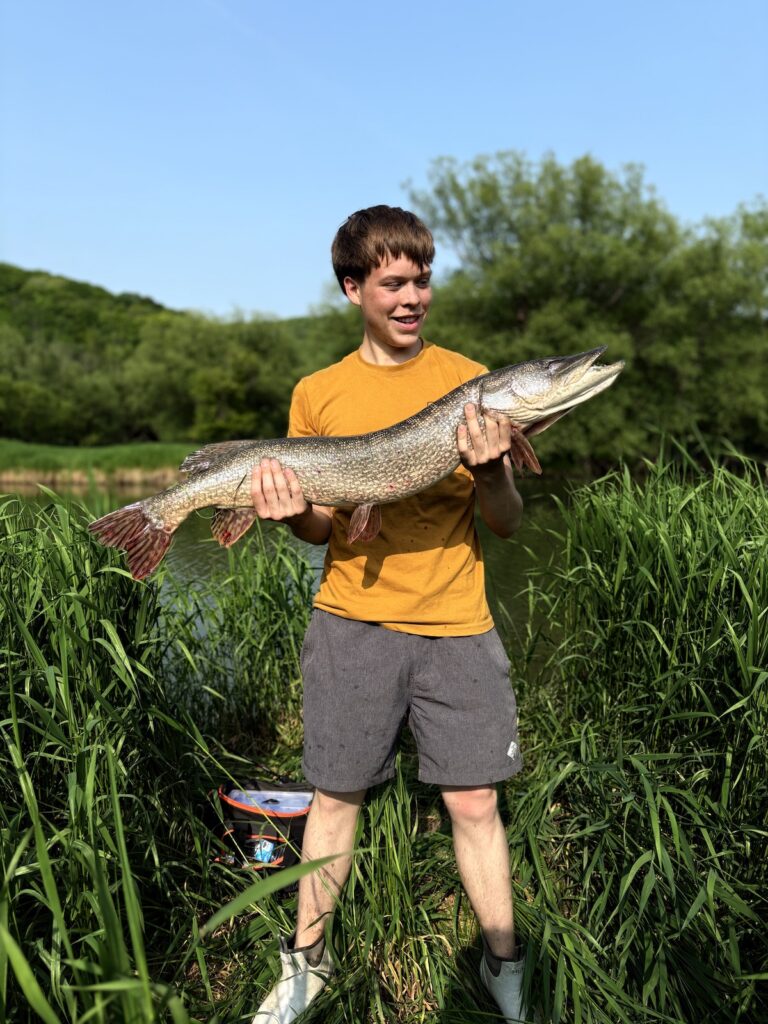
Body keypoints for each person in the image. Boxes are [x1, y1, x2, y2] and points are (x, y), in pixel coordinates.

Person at [249, 205, 528, 1023]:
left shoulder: (471, 382)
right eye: (394, 282)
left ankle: (503, 965)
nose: (413, 297)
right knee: (335, 796)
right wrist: (287, 509)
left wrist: (490, 473)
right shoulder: (319, 393)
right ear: (353, 289)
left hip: (458, 622)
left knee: (474, 801)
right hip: (351, 622)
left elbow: (507, 520)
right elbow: (320, 527)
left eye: (423, 279)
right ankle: (307, 964)